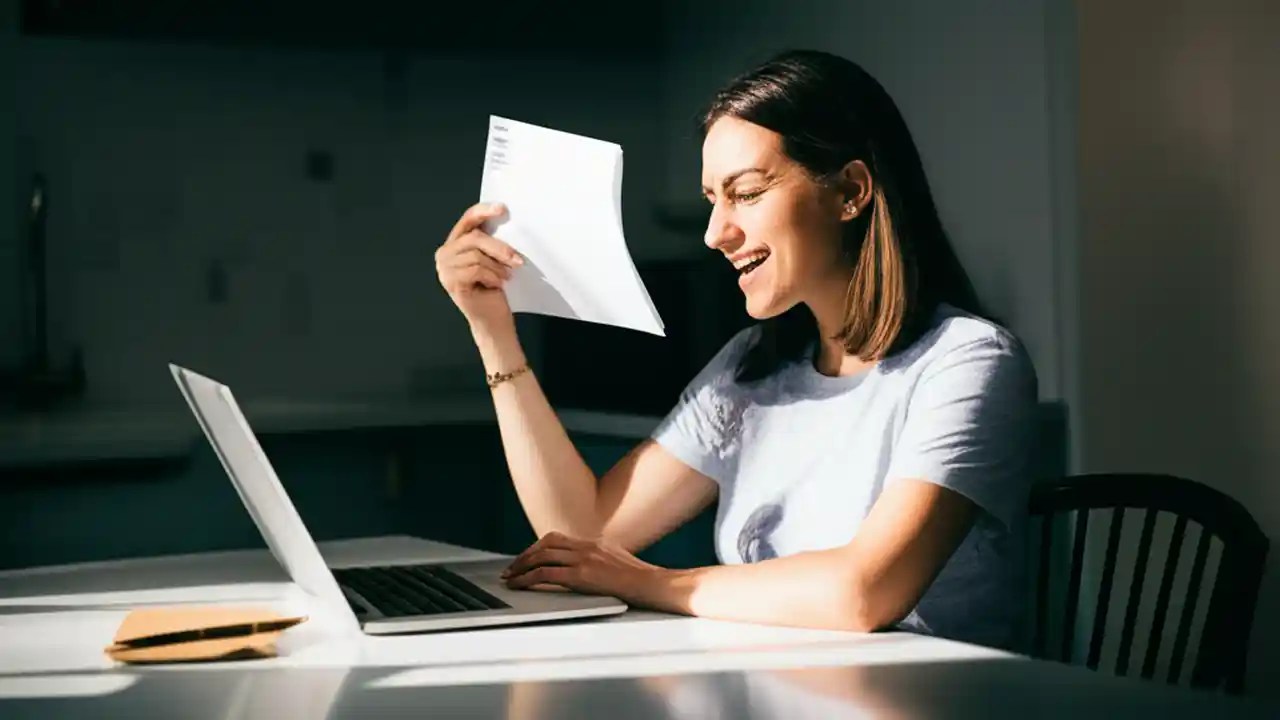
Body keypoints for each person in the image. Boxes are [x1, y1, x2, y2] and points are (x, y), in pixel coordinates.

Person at [433, 49, 1038, 651]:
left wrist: (654, 584)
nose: (715, 233)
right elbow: (580, 534)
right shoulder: (750, 368)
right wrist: (492, 329)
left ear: (851, 191)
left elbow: (863, 593)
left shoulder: (968, 363)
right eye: (711, 200)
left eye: (745, 193)